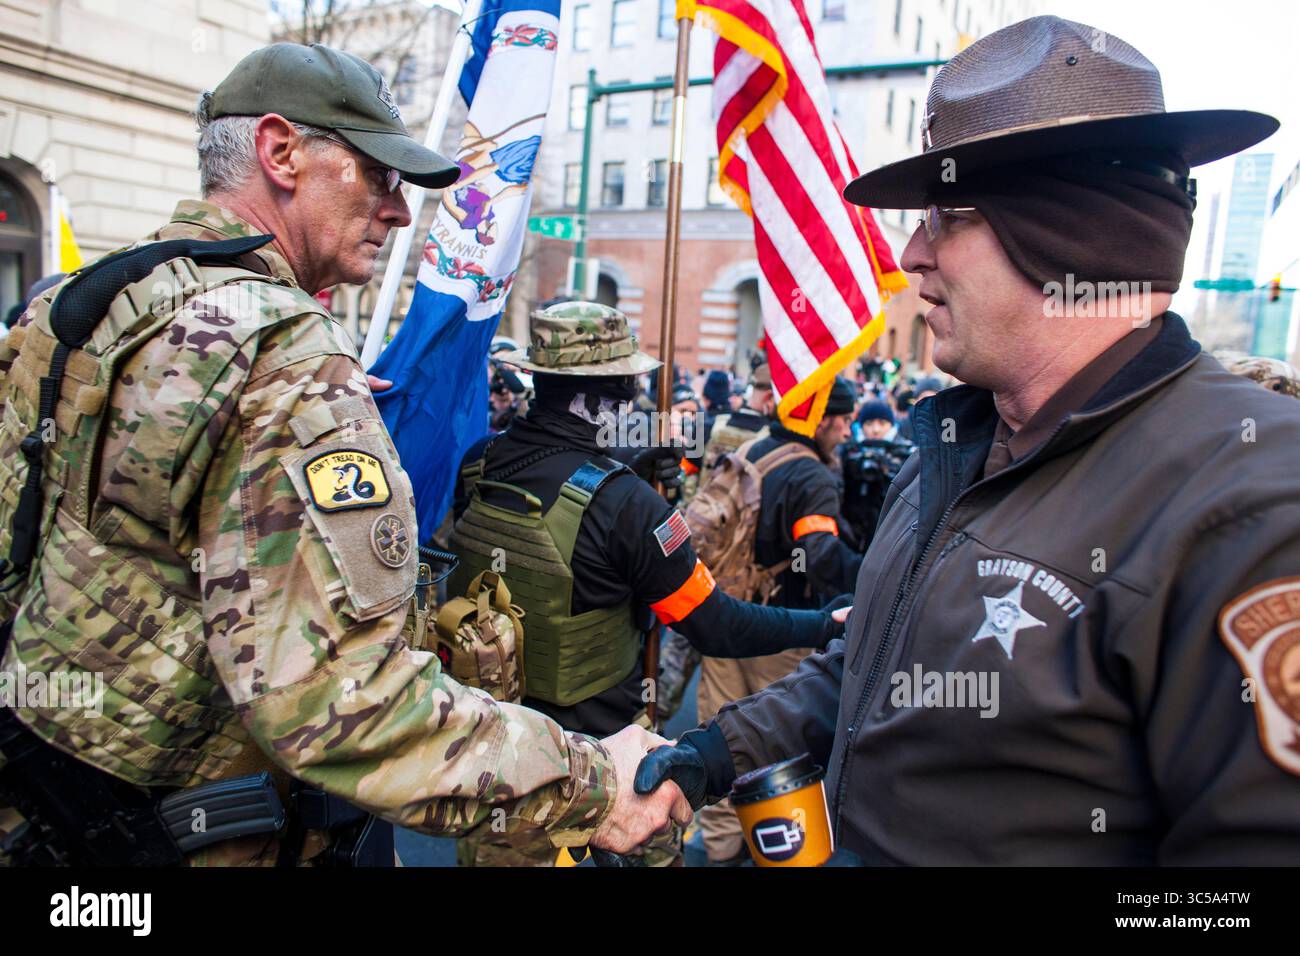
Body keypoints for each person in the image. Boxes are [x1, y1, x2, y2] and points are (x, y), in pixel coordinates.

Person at [0, 42, 688, 867]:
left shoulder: (89, 302)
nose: (399, 211)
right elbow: (337, 701)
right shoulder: (283, 353)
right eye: (377, 176)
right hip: (197, 832)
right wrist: (590, 782)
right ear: (281, 152)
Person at [638, 16, 1300, 865]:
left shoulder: (1253, 501)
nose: (911, 255)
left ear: (1065, 234)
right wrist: (705, 757)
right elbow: (868, 672)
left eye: (945, 217)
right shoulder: (949, 450)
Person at [448, 301, 844, 865]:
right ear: (611, 395)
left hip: (493, 751)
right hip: (603, 768)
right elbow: (718, 626)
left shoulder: (480, 462)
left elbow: (551, 485)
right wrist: (824, 623)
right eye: (631, 385)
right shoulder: (629, 506)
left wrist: (629, 470)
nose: (637, 398)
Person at [691, 375, 860, 864]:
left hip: (730, 617)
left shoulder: (754, 448)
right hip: (788, 634)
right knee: (781, 748)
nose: (847, 431)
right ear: (823, 419)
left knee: (722, 735)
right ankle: (781, 852)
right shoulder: (812, 477)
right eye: (844, 420)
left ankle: (720, 850)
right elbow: (818, 551)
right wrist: (874, 575)